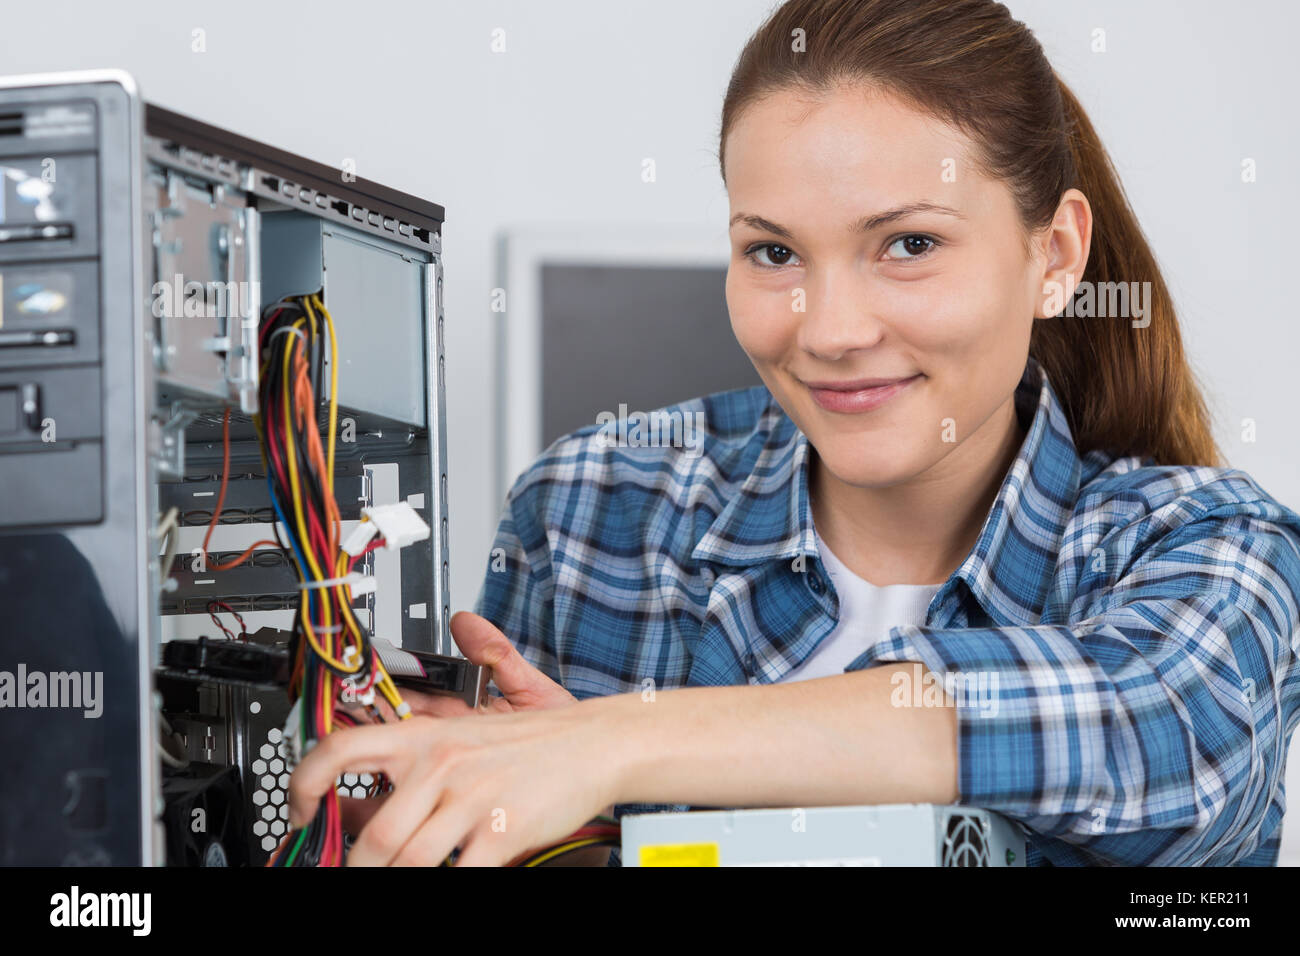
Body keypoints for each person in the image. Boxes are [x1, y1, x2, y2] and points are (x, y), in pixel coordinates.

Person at [288, 0, 1300, 866]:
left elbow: (1153, 726)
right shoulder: (594, 504)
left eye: (908, 244)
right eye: (773, 250)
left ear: (1056, 254)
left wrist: (613, 743)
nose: (829, 330)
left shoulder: (1205, 550)